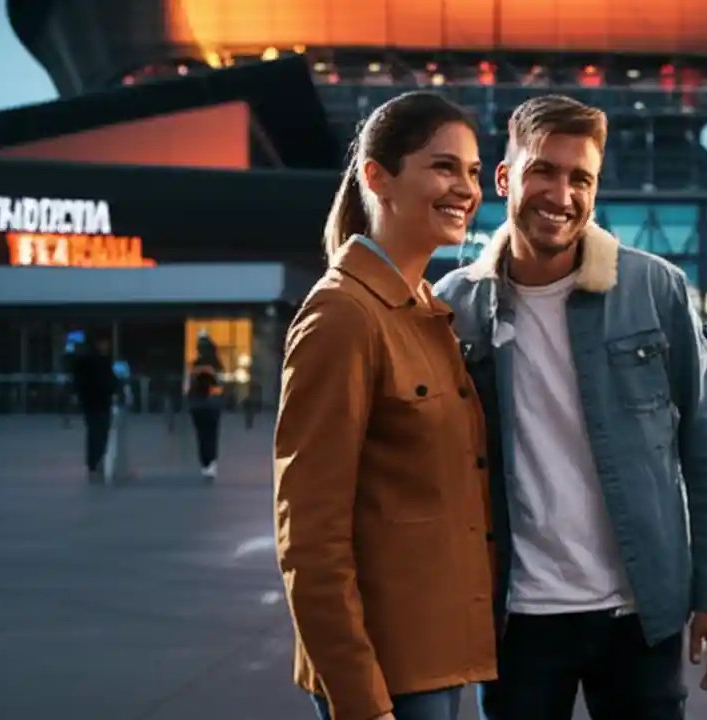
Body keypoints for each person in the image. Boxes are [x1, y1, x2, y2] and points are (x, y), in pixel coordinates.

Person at [435, 95, 707, 720]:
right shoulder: (457, 306)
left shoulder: (653, 288)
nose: (562, 194)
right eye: (543, 172)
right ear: (505, 179)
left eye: (580, 177)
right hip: (517, 617)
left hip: (639, 613)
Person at [273, 91, 495, 720]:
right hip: (387, 676)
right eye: (444, 167)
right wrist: (359, 700)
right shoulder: (342, 315)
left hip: (449, 660)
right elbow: (308, 537)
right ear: (378, 177)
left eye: (474, 171)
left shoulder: (424, 309)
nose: (466, 188)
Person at [70, 335, 117, 482]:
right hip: (97, 402)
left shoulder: (94, 362)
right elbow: (108, 381)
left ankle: (95, 461)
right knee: (98, 432)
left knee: (97, 432)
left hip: (95, 402)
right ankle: (95, 461)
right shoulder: (96, 362)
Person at [186, 331, 224, 479]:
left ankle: (205, 462)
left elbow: (190, 384)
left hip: (197, 404)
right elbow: (220, 384)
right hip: (213, 403)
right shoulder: (216, 365)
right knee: (212, 434)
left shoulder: (196, 365)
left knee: (201, 435)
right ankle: (212, 461)